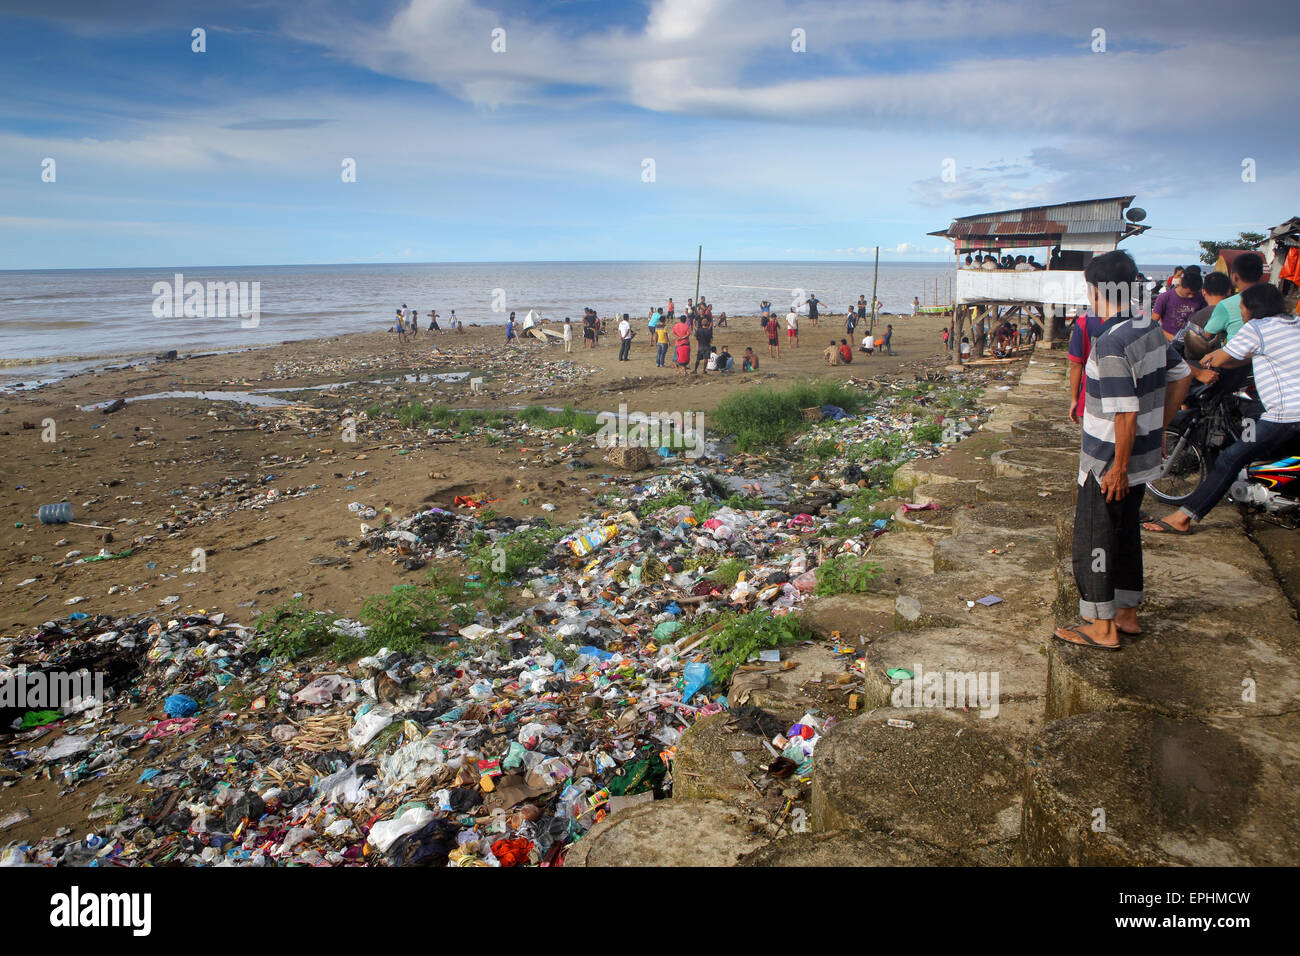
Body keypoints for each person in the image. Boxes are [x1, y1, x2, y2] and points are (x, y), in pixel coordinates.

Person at [1056, 250, 1191, 651]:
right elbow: (1181, 377)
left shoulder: (1111, 344)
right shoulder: (1146, 327)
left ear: (1096, 289)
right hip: (1142, 458)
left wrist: (1116, 467)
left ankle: (1101, 626)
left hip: (1107, 463)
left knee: (1095, 539)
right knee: (1126, 532)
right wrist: (1160, 428)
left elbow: (1125, 415)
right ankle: (1127, 613)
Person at [1144, 283, 1300, 535]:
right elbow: (1255, 355)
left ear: (1251, 309)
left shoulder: (1257, 328)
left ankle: (1183, 518)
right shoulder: (1294, 322)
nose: (1242, 312)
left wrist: (1209, 357)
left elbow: (1222, 358)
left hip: (1286, 413)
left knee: (1231, 457)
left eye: (1242, 308)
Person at [1204, 252, 1265, 344]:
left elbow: (1206, 335)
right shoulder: (1273, 298)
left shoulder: (1226, 305)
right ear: (1261, 274)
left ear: (1235, 277)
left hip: (1234, 355)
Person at [1152, 267, 1206, 340]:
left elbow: (1205, 320)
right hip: (1170, 341)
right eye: (1188, 293)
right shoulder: (1165, 297)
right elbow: (1152, 323)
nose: (1191, 296)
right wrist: (1172, 338)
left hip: (1192, 341)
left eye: (1195, 293)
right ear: (1181, 284)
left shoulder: (1200, 298)